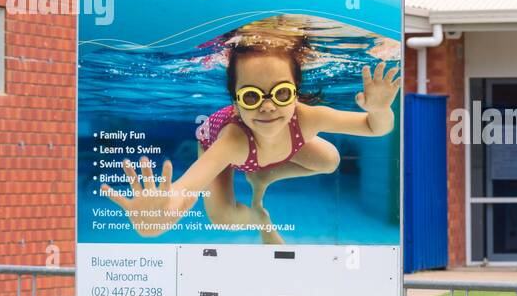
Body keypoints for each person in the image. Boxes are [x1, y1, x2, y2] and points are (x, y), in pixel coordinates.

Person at [102, 25, 400, 243]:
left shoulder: (306, 117)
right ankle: (260, 217)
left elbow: (376, 127)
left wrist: (379, 110)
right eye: (251, 96)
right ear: (235, 101)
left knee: (330, 159)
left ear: (297, 94)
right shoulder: (232, 141)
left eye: (281, 94)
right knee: (223, 220)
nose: (268, 107)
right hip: (219, 144)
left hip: (269, 155)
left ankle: (264, 176)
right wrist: (154, 218)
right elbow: (185, 190)